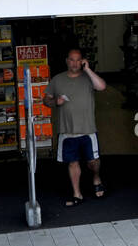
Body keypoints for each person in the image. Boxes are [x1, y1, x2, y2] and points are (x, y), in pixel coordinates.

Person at [44, 47, 108, 205]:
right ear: (67, 61)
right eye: (71, 59)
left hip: (87, 128)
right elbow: (46, 100)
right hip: (67, 130)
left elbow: (102, 87)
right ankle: (77, 193)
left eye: (78, 60)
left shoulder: (88, 78)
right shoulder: (57, 80)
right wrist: (55, 102)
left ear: (83, 61)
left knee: (93, 161)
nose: (74, 63)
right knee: (72, 162)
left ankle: (96, 177)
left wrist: (89, 70)